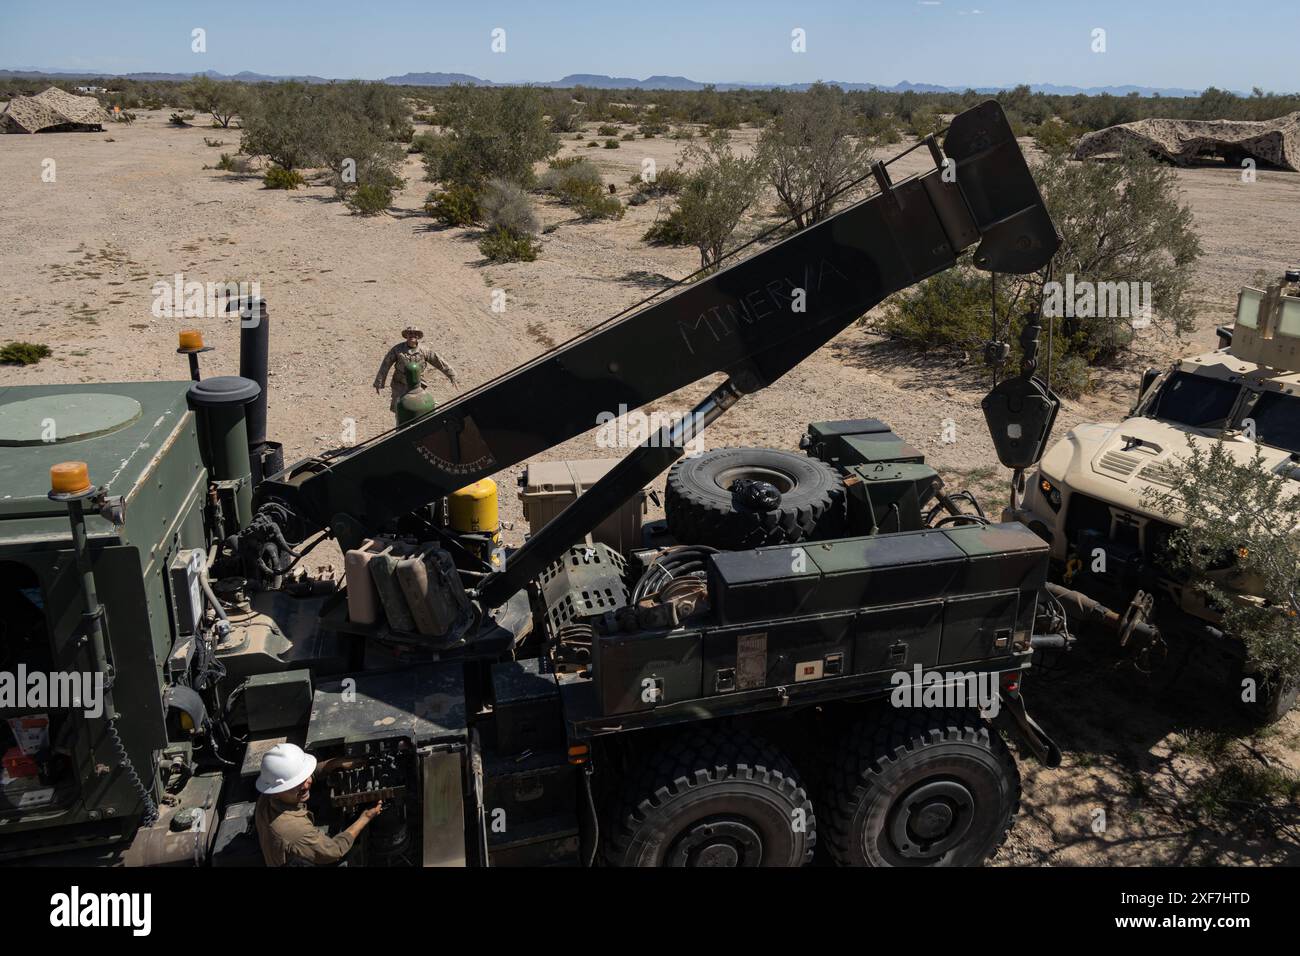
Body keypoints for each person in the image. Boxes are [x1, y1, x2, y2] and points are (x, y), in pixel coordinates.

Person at [253, 742, 383, 866]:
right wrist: (365, 817)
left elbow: (308, 775)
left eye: (305, 777)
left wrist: (334, 763)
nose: (305, 785)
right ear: (276, 793)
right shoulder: (296, 831)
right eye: (295, 785)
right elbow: (334, 851)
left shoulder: (270, 793)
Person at [373, 326, 457, 412]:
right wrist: (379, 383)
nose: (412, 335)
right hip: (400, 385)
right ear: (406, 336)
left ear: (418, 336)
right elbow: (386, 364)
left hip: (418, 384)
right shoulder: (397, 349)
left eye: (414, 334)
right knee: (399, 408)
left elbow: (438, 361)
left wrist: (451, 375)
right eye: (409, 333)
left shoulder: (424, 350)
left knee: (420, 407)